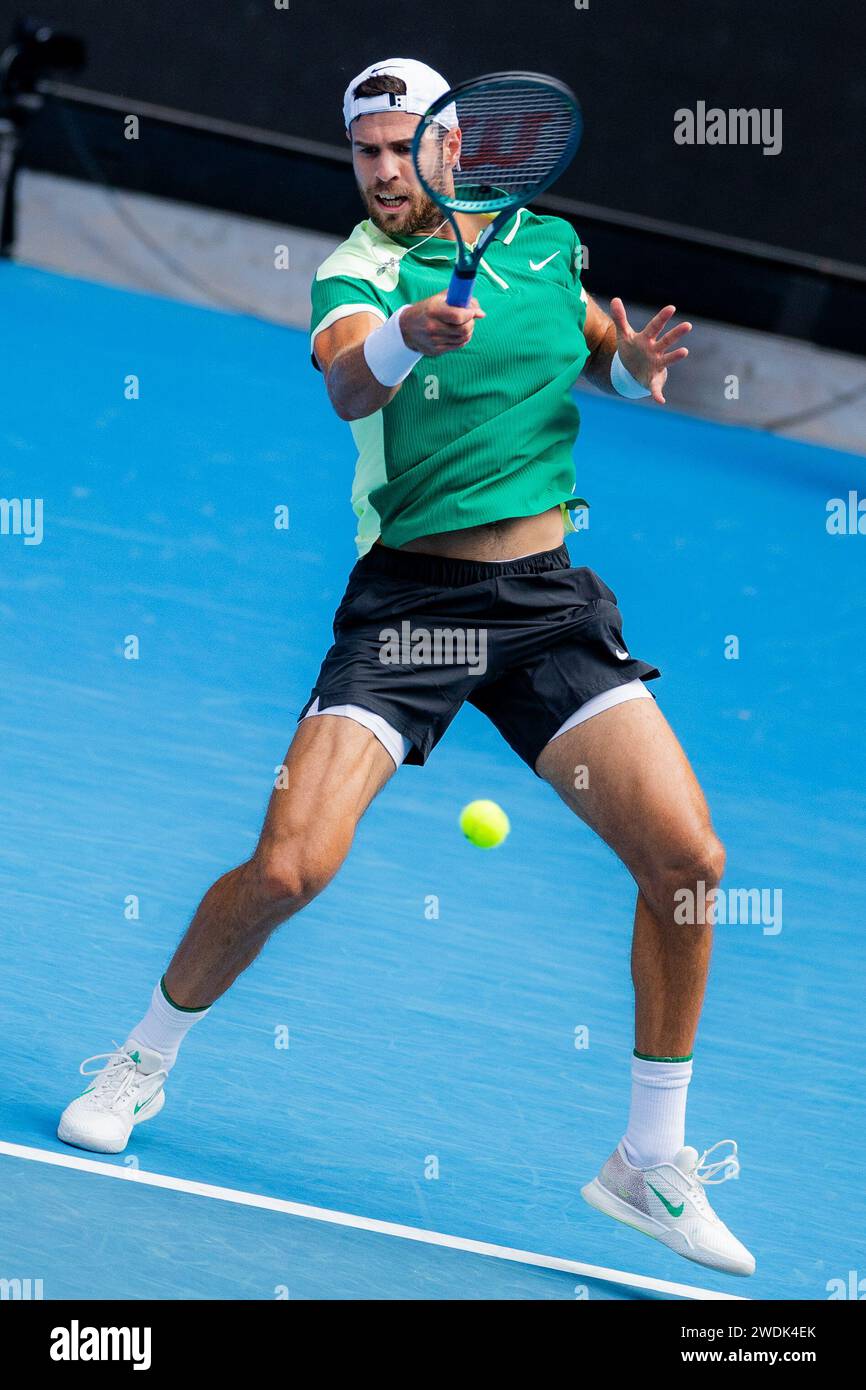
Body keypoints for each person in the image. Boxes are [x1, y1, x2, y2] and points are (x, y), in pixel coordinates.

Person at [58, 56, 753, 1278]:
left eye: (401, 147)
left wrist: (627, 362)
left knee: (688, 864)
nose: (381, 172)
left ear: (453, 146)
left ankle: (646, 1160)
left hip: (544, 606)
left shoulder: (544, 245)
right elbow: (343, 380)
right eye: (364, 151)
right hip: (411, 611)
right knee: (290, 865)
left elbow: (586, 339)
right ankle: (141, 1059)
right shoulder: (358, 273)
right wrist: (403, 336)